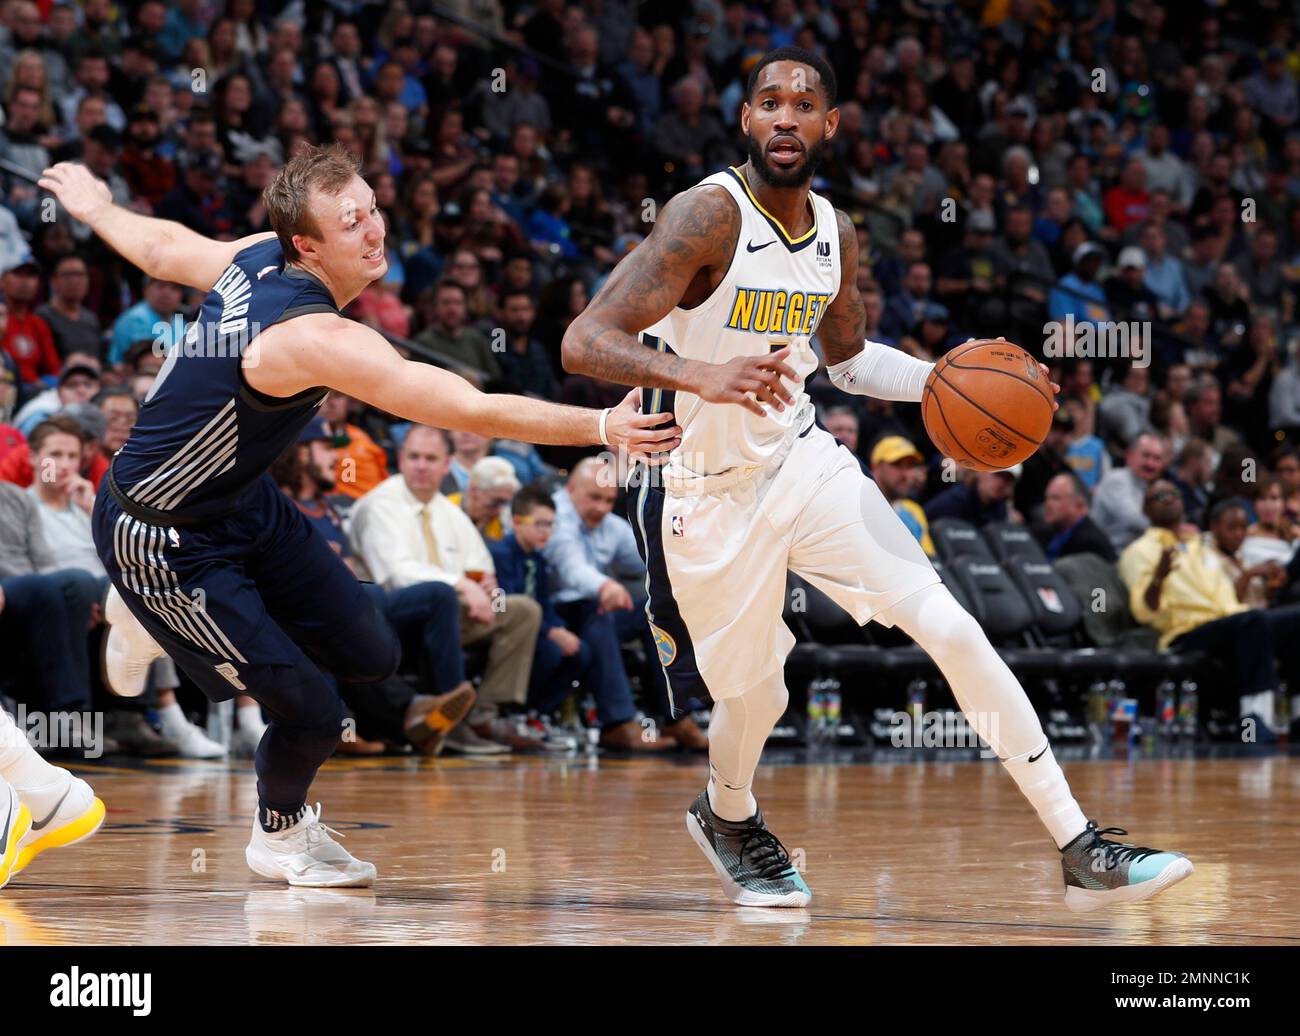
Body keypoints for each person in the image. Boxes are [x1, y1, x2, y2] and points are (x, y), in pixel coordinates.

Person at [560, 46, 1190, 911]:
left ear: (830, 125)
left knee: (953, 627)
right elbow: (583, 339)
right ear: (746, 120)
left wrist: (944, 379)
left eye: (804, 103)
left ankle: (1079, 843)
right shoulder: (705, 216)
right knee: (759, 696)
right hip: (698, 490)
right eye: (769, 103)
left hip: (800, 462)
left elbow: (848, 362)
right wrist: (700, 376)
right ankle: (729, 812)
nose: (787, 116)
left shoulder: (835, 231)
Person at [39, 144, 678, 888]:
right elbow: (465, 406)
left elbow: (164, 246)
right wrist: (602, 427)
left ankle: (144, 620)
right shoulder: (315, 338)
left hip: (244, 502)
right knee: (311, 711)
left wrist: (94, 205)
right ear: (305, 244)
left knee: (372, 653)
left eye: (373, 208)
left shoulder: (258, 256)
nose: (376, 229)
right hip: (158, 534)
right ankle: (278, 835)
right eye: (353, 223)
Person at [1034, 472, 1118, 562]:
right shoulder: (1050, 531)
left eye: (1056, 498)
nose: (1047, 504)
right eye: (1047, 498)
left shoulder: (1090, 544)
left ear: (1080, 505)